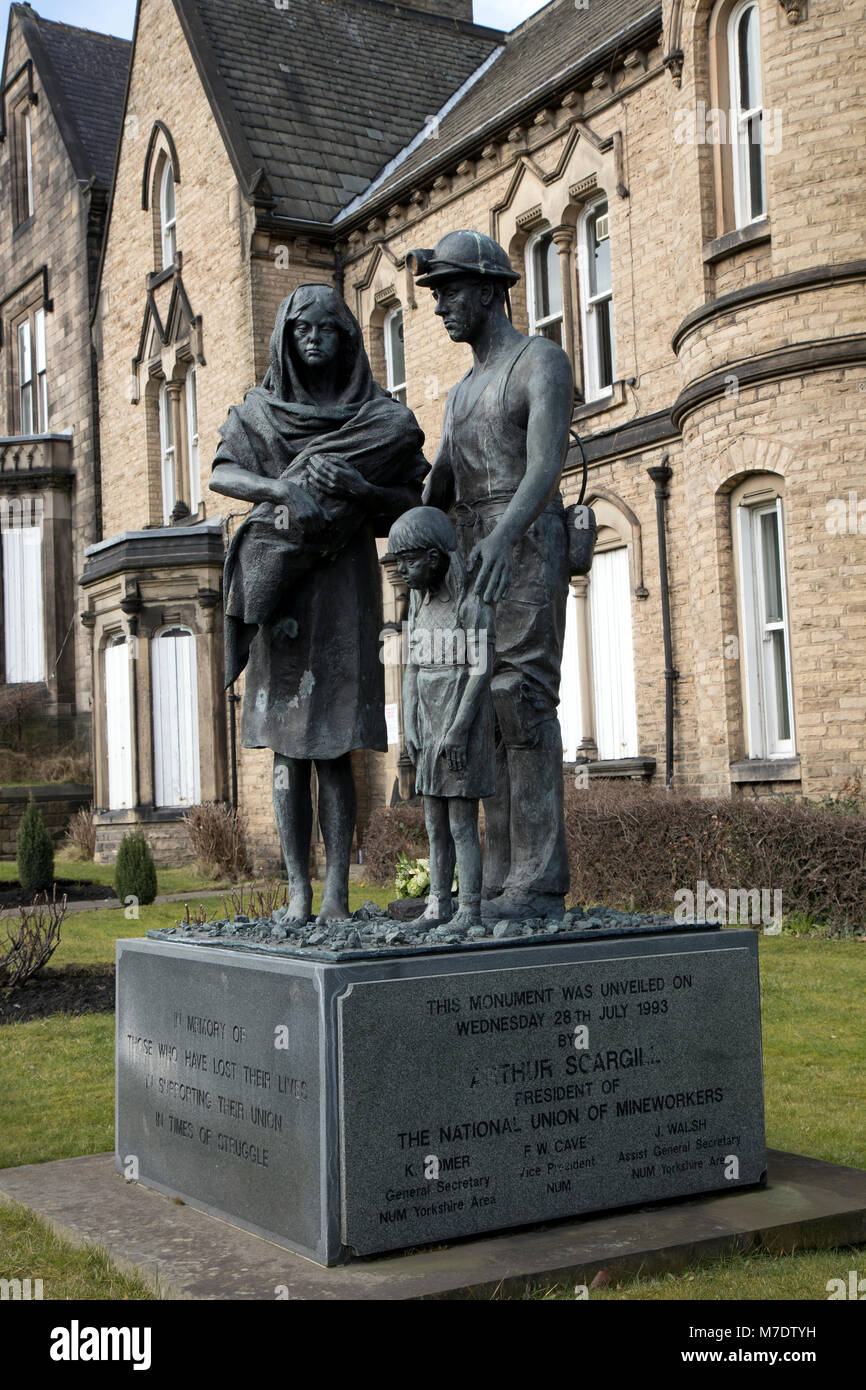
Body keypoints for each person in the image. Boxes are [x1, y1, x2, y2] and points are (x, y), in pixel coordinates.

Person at [211, 284, 426, 923]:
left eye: (327, 330)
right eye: (302, 328)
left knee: (335, 743)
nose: (313, 339)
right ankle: (297, 891)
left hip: (345, 587)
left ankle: (335, 894)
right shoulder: (259, 412)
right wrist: (281, 489)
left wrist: (359, 488)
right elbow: (223, 472)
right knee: (286, 746)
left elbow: (412, 504)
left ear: (348, 340)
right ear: (285, 337)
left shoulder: (379, 419)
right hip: (284, 588)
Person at [408, 230, 573, 920]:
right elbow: (437, 488)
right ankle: (495, 881)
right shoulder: (459, 392)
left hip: (525, 542)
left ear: (487, 290)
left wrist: (505, 536)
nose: (441, 306)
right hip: (473, 555)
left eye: (449, 292)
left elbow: (544, 465)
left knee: (520, 700)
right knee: (481, 719)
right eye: (437, 293)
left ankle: (536, 881)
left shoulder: (541, 362)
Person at [386, 506, 494, 929]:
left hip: (459, 726)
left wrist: (459, 728)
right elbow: (411, 666)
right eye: (398, 562)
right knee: (434, 823)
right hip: (428, 728)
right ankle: (437, 905)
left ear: (435, 558)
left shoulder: (471, 603)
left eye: (409, 561)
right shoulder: (418, 604)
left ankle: (469, 909)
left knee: (462, 823)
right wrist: (408, 723)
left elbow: (481, 669)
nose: (402, 571)